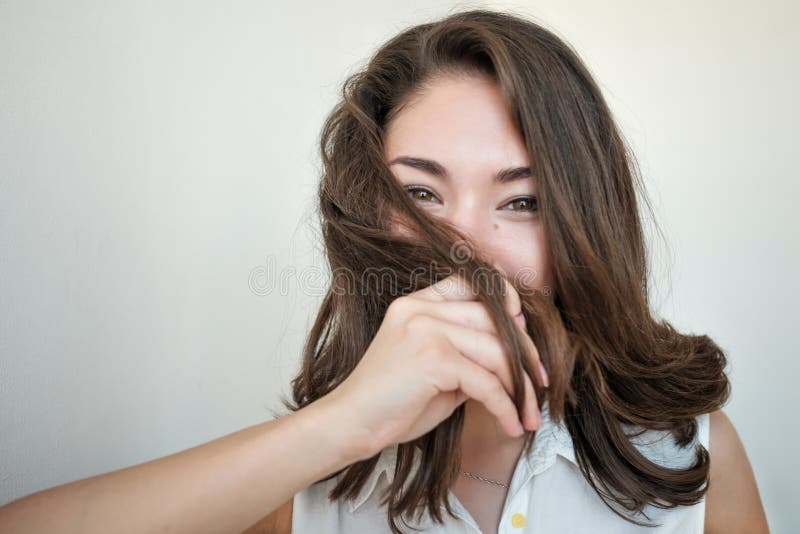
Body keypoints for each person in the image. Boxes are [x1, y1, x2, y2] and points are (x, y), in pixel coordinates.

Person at [0, 8, 769, 534]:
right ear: (368, 216)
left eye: (523, 199)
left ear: (584, 222)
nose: (464, 242)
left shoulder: (691, 456)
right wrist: (339, 427)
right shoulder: (314, 477)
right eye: (422, 193)